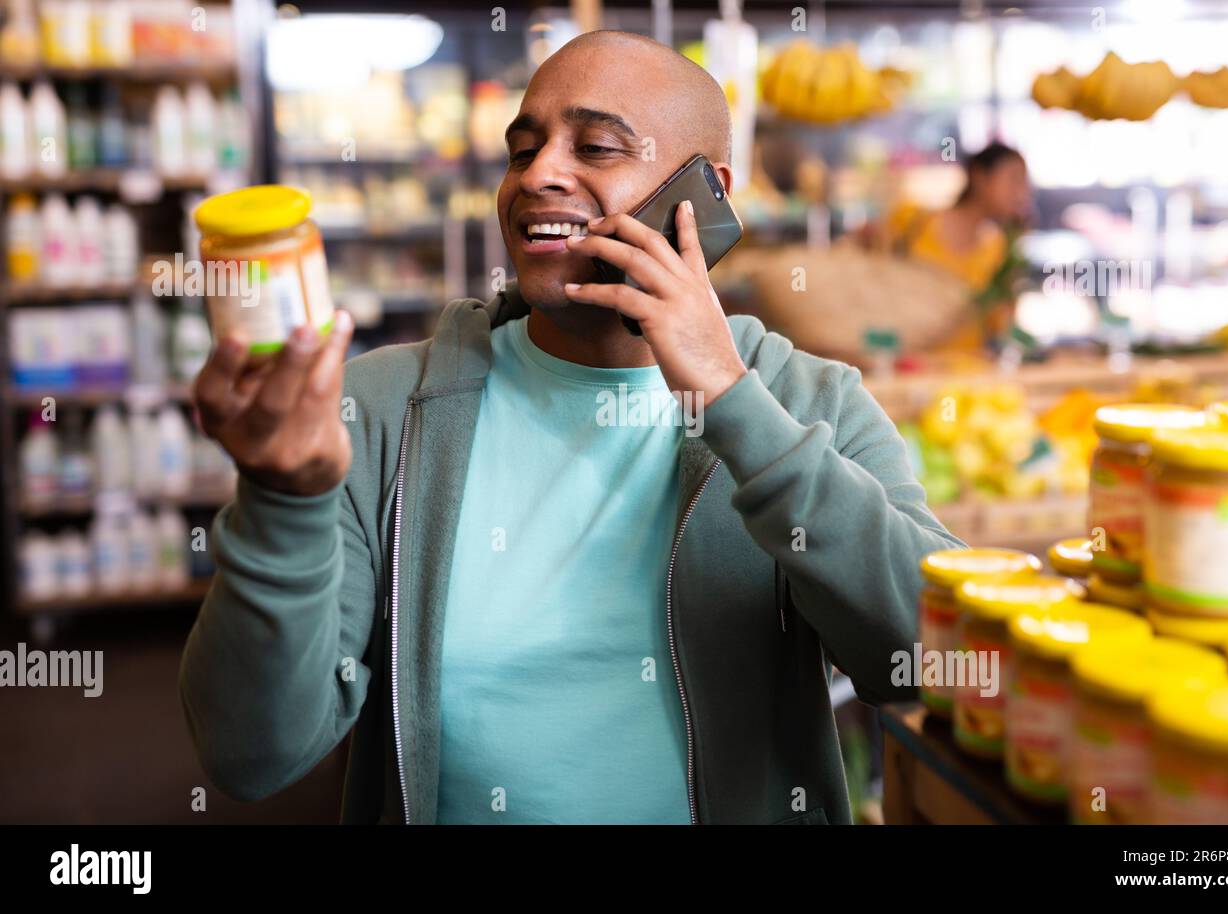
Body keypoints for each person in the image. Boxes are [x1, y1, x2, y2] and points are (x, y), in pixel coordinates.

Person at [179, 29, 963, 825]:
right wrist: (282, 500)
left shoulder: (807, 400)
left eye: (596, 146)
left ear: (706, 193)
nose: (540, 175)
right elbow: (252, 753)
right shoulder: (380, 409)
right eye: (523, 151)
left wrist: (734, 401)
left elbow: (941, 666)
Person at [864, 142, 1033, 351]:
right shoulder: (912, 221)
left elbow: (1001, 328)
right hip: (905, 369)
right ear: (979, 177)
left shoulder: (1000, 250)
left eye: (1024, 184)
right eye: (1014, 180)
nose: (1021, 193)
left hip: (967, 374)